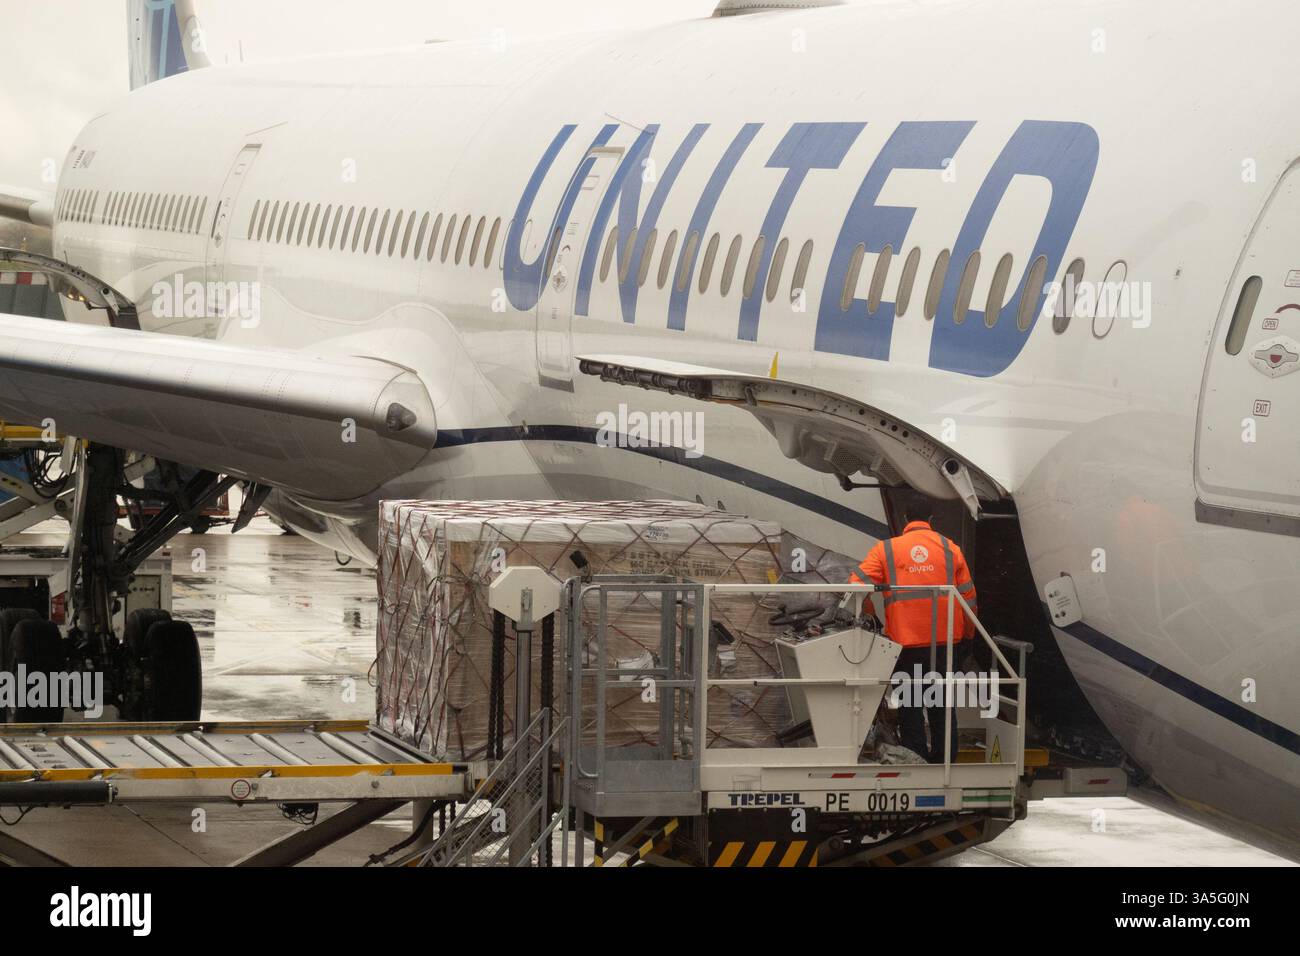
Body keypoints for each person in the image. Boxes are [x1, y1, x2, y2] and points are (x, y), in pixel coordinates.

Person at [849, 503, 978, 763]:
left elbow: (856, 585)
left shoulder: (886, 549)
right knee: (941, 704)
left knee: (910, 704)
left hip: (905, 645)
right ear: (930, 517)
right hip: (944, 645)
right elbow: (969, 598)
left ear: (905, 518)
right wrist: (968, 635)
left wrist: (872, 616)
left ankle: (916, 761)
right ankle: (944, 763)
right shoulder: (951, 550)